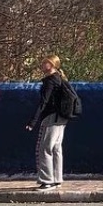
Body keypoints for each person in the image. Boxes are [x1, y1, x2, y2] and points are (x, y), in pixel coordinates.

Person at [25, 54, 68, 189]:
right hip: (61, 117)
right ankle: (57, 178)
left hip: (51, 117)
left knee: (45, 148)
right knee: (56, 148)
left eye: (45, 63)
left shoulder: (50, 81)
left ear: (53, 65)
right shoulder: (60, 79)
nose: (42, 65)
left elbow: (44, 102)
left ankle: (47, 179)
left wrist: (33, 120)